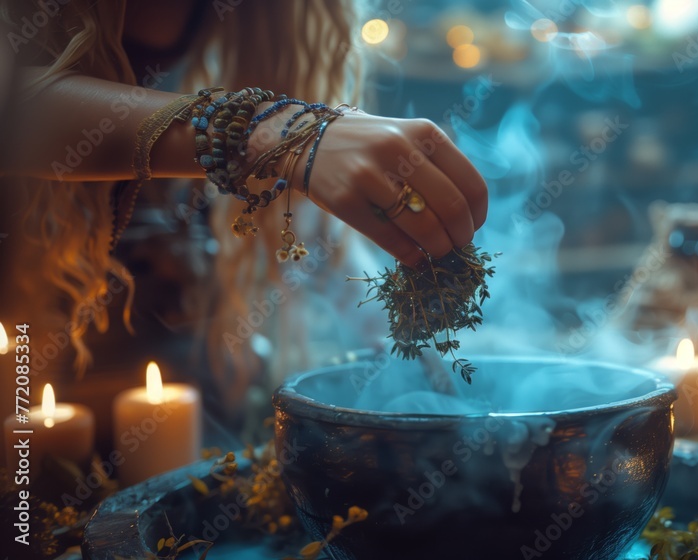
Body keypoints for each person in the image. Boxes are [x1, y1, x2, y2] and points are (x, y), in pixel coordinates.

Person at [0, 0, 488, 422]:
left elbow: (304, 202)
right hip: (32, 341)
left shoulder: (274, 17)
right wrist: (274, 131)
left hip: (180, 356)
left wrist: (377, 316)